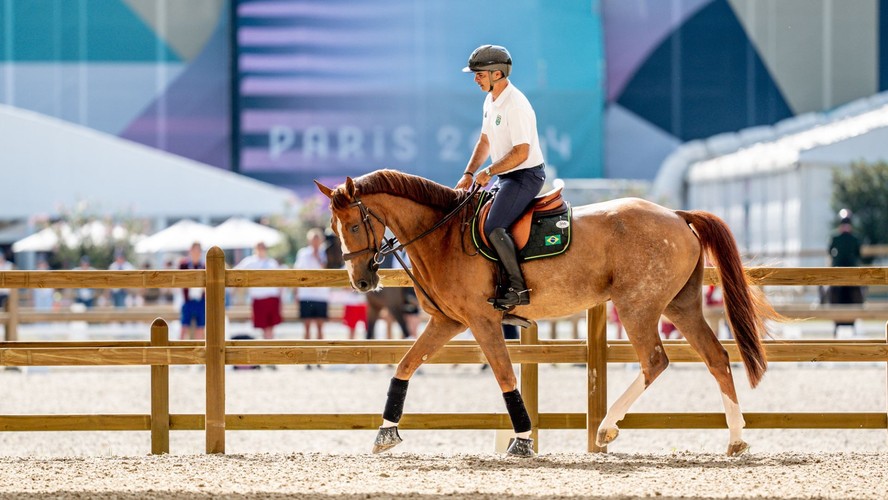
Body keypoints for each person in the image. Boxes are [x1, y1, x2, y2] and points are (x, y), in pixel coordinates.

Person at [455, 44, 546, 309]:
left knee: (493, 227)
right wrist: (469, 173)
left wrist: (489, 171)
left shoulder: (515, 105)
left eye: (479, 74)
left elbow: (521, 152)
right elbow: (485, 141)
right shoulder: (490, 99)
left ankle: (519, 289)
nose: (475, 79)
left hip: (524, 175)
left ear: (497, 74)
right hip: (507, 176)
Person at [234, 242, 283, 340]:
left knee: (271, 327)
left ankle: (269, 345)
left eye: (263, 247)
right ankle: (266, 346)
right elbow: (236, 273)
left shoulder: (272, 262)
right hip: (259, 299)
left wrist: (281, 298)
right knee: (263, 327)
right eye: (259, 247)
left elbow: (280, 281)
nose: (261, 250)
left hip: (272, 298)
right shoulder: (249, 262)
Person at [827, 210, 864, 336]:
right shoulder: (854, 238)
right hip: (847, 272)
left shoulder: (837, 237)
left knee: (834, 291)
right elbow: (859, 254)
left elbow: (830, 251)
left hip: (842, 272)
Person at [294, 228, 329, 340]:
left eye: (317, 239)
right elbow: (296, 273)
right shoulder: (303, 254)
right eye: (313, 239)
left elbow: (327, 269)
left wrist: (318, 257)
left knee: (320, 326)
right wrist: (296, 293)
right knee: (306, 326)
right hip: (306, 294)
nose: (315, 242)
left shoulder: (325, 253)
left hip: (321, 295)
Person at [179, 241, 206, 340]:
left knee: (200, 328)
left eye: (198, 250)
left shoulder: (204, 265)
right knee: (183, 326)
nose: (196, 252)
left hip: (200, 300)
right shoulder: (184, 265)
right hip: (187, 300)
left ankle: (200, 349)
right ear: (190, 251)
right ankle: (178, 349)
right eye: (194, 250)